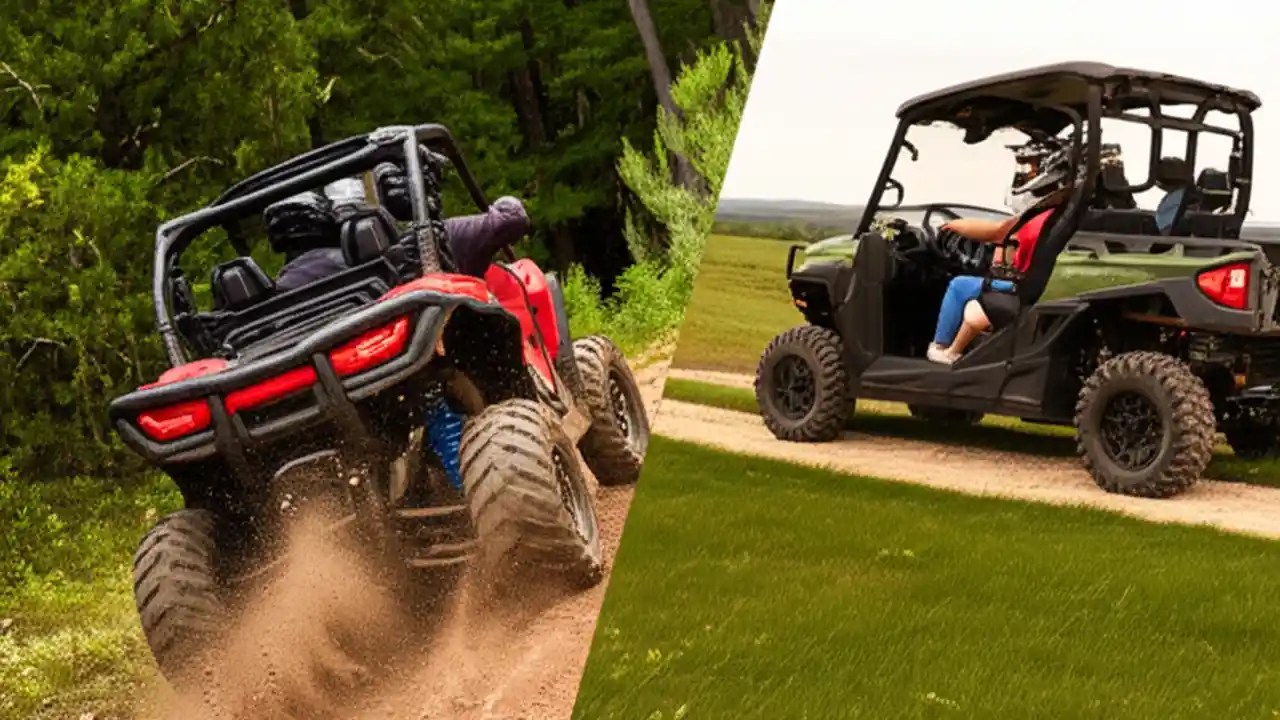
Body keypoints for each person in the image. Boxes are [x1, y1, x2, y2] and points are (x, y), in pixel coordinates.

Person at [926, 144, 1075, 364]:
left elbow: (996, 233)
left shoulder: (1036, 217)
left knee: (958, 285)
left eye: (1029, 167)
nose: (1024, 173)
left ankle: (941, 347)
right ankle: (955, 350)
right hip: (1020, 286)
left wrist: (953, 226)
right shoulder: (1051, 212)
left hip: (1013, 287)